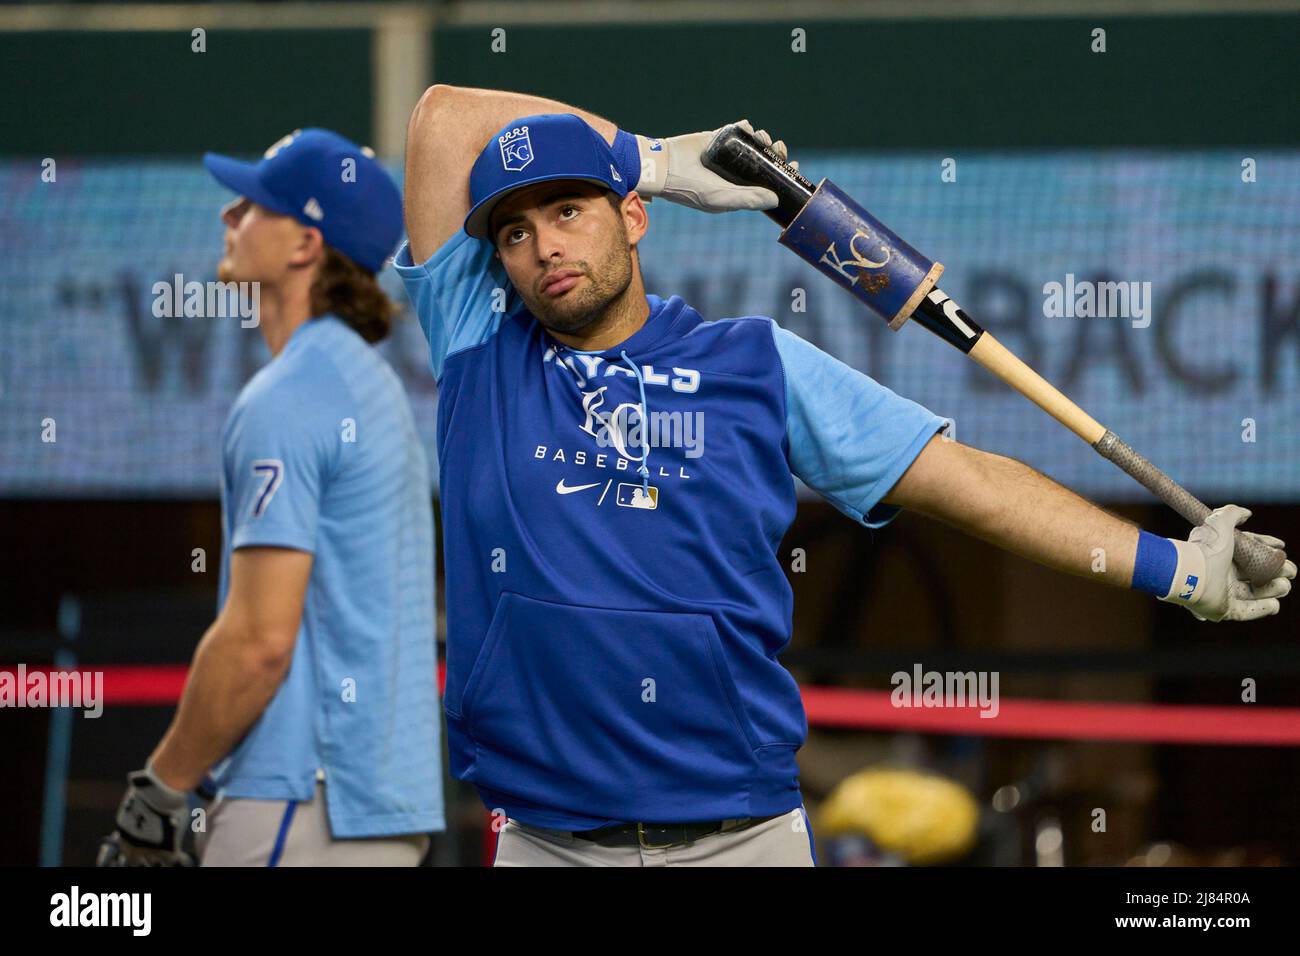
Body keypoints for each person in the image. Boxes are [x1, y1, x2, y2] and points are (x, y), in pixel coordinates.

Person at [397, 86, 1294, 866]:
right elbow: (442, 116)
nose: (544, 247)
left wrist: (1176, 569)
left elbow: (972, 483)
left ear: (633, 218)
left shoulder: (756, 364)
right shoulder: (477, 342)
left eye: (569, 211)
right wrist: (658, 158)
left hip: (741, 837)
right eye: (515, 232)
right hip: (546, 842)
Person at [100, 128, 443, 867]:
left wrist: (161, 789)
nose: (230, 215)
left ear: (305, 246)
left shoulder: (292, 394)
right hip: (372, 805)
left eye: (256, 204)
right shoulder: (367, 384)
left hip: (302, 799)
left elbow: (259, 644)